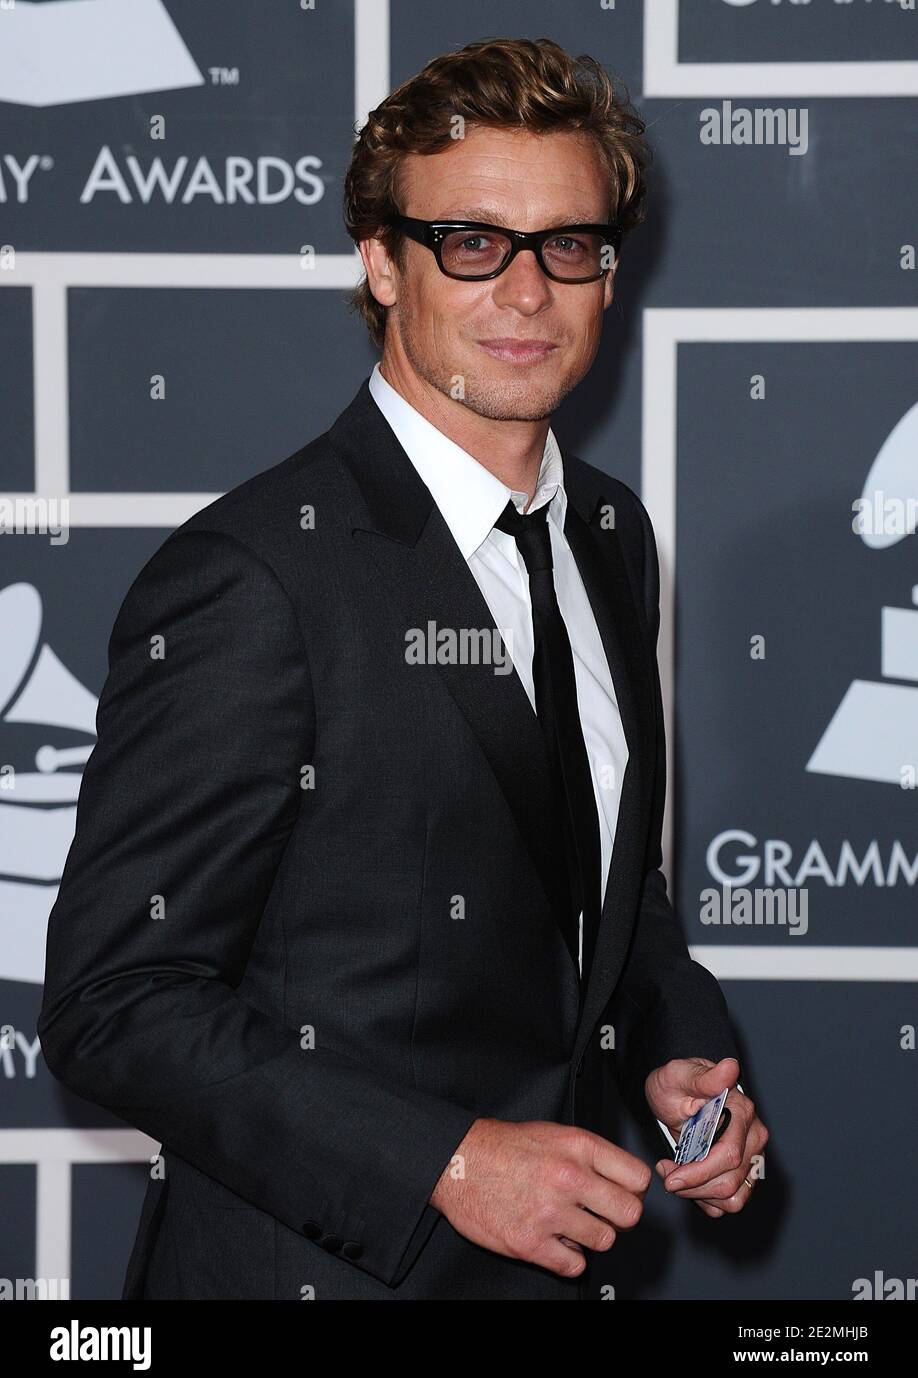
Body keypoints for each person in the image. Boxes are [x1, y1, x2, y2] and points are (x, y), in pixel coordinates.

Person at [37, 36, 769, 1301]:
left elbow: (595, 881)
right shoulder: (257, 577)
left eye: (569, 245)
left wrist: (677, 1047)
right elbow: (118, 1000)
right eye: (473, 244)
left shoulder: (608, 536)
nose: (528, 293)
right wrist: (446, 1161)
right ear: (382, 262)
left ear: (609, 269)